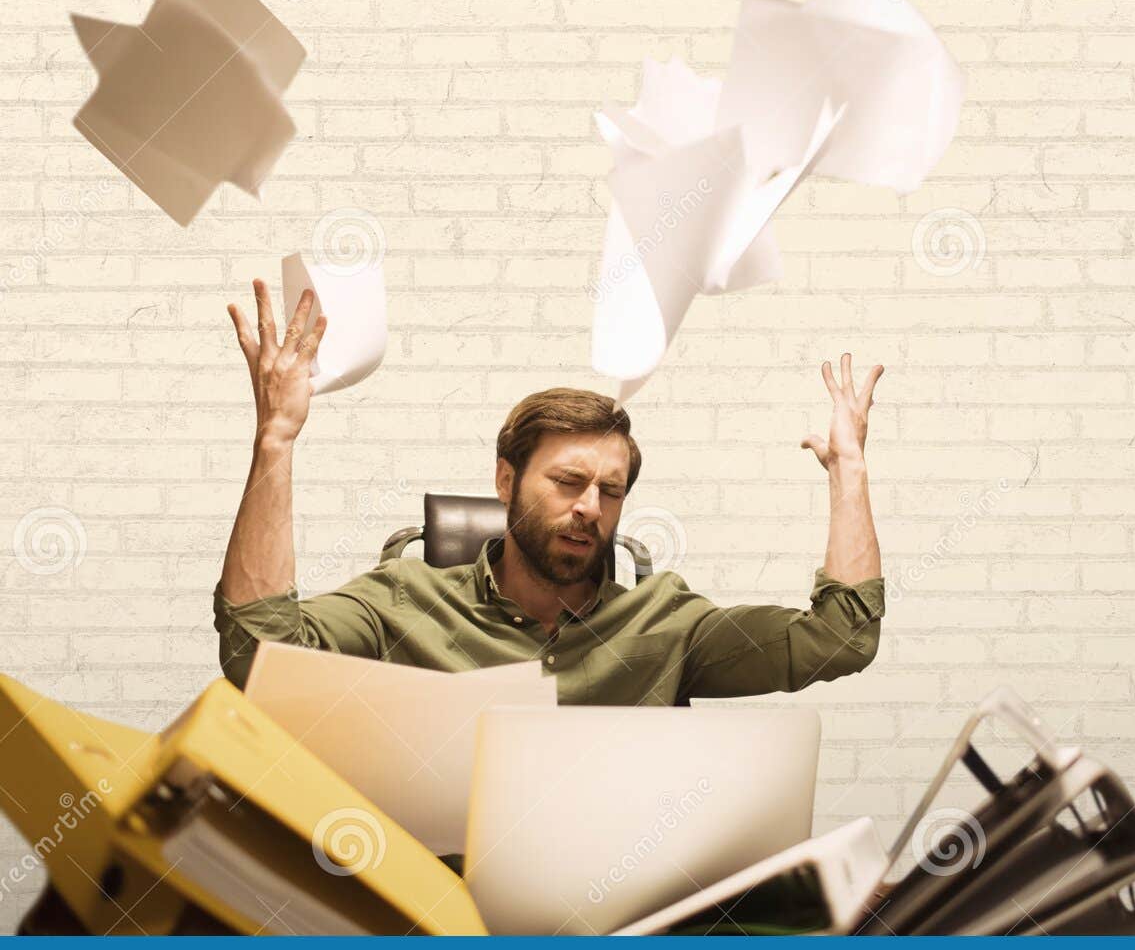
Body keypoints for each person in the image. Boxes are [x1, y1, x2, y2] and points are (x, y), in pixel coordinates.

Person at [213, 279, 886, 705]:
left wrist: (849, 472)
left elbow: (839, 640)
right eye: (568, 482)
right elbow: (257, 656)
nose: (591, 507)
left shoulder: (666, 623)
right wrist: (275, 440)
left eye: (610, 490)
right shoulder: (403, 601)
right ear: (506, 480)